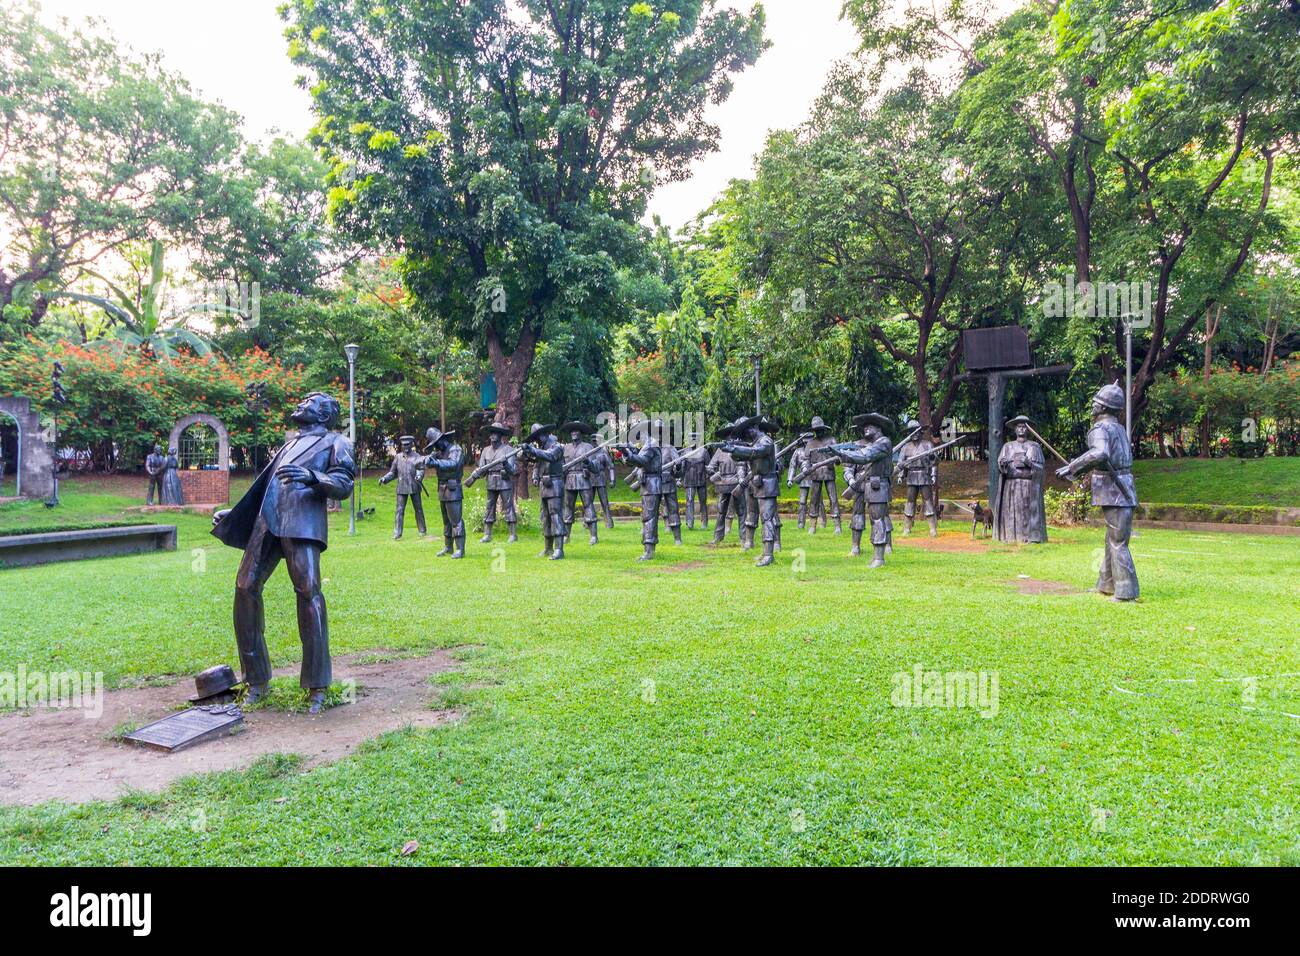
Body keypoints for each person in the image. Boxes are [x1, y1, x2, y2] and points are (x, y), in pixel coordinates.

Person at [211, 392, 355, 714]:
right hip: (267, 523)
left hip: (302, 524)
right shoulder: (289, 444)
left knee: (308, 592)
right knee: (245, 587)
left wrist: (314, 478)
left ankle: (317, 686)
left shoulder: (336, 442)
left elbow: (344, 483)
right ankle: (256, 681)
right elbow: (267, 488)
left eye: (311, 400)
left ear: (324, 414)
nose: (302, 402)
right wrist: (235, 514)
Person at [1057, 384, 1139, 600]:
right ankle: (1106, 584)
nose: (1092, 405)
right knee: (1111, 539)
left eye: (1095, 402)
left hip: (1115, 488)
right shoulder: (1119, 428)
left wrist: (1072, 467)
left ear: (1103, 406)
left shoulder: (1101, 429)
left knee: (1118, 542)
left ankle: (1126, 591)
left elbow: (1100, 453)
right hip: (1122, 486)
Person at [720, 416, 782, 567]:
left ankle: (768, 555)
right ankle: (765, 552)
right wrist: (732, 448)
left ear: (752, 429)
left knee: (767, 518)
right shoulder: (755, 442)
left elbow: (756, 452)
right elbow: (743, 457)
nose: (744, 437)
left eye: (745, 433)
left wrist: (734, 448)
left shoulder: (765, 441)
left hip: (767, 483)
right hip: (758, 483)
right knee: (758, 516)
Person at [837, 413, 894, 567]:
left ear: (879, 427)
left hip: (877, 485)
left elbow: (865, 456)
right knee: (859, 516)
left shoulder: (884, 442)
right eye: (864, 426)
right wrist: (851, 479)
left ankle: (879, 558)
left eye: (870, 425)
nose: (865, 428)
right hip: (863, 485)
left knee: (878, 519)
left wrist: (842, 454)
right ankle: (857, 548)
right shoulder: (858, 445)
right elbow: (849, 468)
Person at [614, 421, 665, 561]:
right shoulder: (647, 445)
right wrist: (626, 452)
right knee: (648, 516)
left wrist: (626, 452)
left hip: (652, 484)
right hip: (648, 484)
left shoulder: (651, 444)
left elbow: (641, 461)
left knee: (649, 517)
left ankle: (649, 551)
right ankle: (649, 548)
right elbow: (636, 459)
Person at [994, 415, 1047, 543]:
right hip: (1011, 486)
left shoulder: (1034, 446)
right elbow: (1000, 465)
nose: (1021, 429)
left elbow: (1040, 469)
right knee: (1011, 512)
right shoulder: (1008, 446)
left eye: (1024, 427)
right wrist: (1003, 464)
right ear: (1015, 430)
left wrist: (1029, 463)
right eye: (1019, 427)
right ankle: (1010, 536)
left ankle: (1030, 537)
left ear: (1028, 430)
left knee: (1027, 512)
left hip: (1028, 486)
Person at [520, 423, 566, 559]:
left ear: (545, 434)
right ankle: (548, 548)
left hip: (555, 484)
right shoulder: (541, 448)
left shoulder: (557, 446)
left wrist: (533, 450)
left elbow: (549, 456)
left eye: (538, 437)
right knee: (545, 517)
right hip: (544, 485)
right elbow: (537, 463)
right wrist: (534, 476)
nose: (538, 440)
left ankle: (559, 549)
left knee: (555, 515)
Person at [467, 421, 519, 543]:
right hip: (490, 481)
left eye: (495, 433)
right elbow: (482, 469)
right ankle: (487, 534)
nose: (492, 436)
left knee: (508, 506)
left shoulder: (508, 450)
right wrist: (477, 474)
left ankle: (513, 534)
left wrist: (505, 463)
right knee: (489, 507)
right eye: (491, 433)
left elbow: (512, 471)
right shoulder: (485, 451)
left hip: (504, 481)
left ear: (501, 435)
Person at [424, 425, 466, 558]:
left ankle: (460, 549)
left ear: (442, 439)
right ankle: (448, 547)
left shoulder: (455, 449)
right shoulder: (438, 453)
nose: (435, 447)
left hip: (453, 489)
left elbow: (453, 464)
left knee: (456, 520)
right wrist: (427, 461)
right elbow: (424, 463)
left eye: (436, 444)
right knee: (446, 522)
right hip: (442, 490)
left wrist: (436, 463)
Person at [894, 419, 939, 537]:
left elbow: (934, 462)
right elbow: (901, 464)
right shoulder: (905, 447)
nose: (914, 434)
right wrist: (900, 475)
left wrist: (933, 475)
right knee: (910, 502)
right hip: (911, 476)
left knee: (928, 501)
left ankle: (932, 529)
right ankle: (907, 528)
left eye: (916, 431)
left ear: (920, 432)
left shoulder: (928, 444)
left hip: (924, 476)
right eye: (911, 432)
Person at [378, 435, 427, 539]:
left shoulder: (416, 456)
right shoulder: (398, 457)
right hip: (402, 487)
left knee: (418, 509)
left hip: (414, 486)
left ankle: (422, 530)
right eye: (404, 445)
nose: (406, 447)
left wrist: (419, 476)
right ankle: (397, 532)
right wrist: (384, 478)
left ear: (411, 444)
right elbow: (393, 472)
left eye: (407, 444)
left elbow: (421, 469)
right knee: (399, 510)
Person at [560, 421, 600, 546]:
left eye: (576, 431)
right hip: (570, 479)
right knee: (568, 508)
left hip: (583, 479)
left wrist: (588, 463)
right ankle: (566, 536)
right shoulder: (565, 448)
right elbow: (561, 465)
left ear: (581, 433)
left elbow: (596, 467)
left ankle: (593, 536)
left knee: (588, 506)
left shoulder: (588, 447)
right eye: (572, 431)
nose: (574, 433)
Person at [707, 420, 744, 544]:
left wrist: (712, 472)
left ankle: (743, 537)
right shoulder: (721, 450)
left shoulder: (739, 448)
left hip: (735, 483)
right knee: (723, 511)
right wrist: (712, 472)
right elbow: (711, 467)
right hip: (724, 484)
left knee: (739, 511)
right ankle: (719, 536)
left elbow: (711, 468)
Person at [680, 435, 709, 530]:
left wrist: (709, 477)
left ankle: (704, 522)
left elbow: (709, 467)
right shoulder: (685, 452)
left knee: (703, 502)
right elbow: (682, 467)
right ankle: (689, 522)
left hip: (701, 480)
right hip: (689, 480)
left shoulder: (704, 451)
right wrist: (680, 479)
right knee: (689, 501)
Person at [588, 438, 616, 529]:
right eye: (593, 441)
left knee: (604, 502)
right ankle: (587, 521)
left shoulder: (603, 452)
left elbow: (611, 466)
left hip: (600, 478)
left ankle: (609, 522)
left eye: (596, 440)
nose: (594, 442)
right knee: (588, 502)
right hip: (590, 479)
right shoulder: (588, 452)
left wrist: (612, 480)